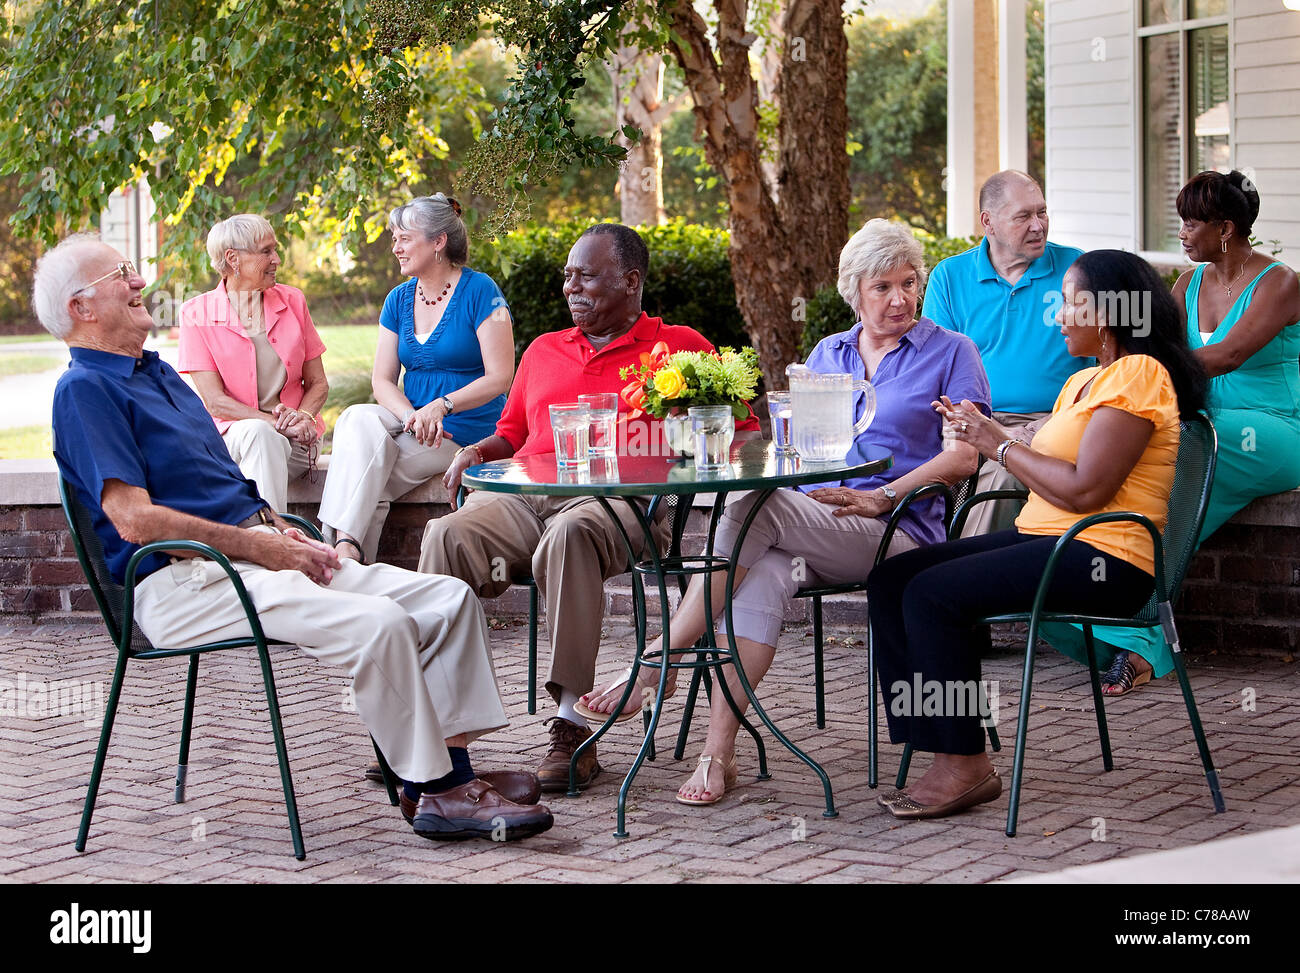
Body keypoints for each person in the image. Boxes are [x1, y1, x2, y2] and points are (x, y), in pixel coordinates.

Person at [38, 234, 553, 842]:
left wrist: (282, 531)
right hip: (184, 581)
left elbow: (222, 484)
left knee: (447, 600)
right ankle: (440, 793)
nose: (140, 282)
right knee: (380, 623)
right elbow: (134, 520)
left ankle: (444, 768)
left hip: (253, 557)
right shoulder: (85, 391)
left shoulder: (160, 375)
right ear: (82, 308)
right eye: (122, 274)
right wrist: (260, 547)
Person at [578, 219, 991, 806]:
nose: (899, 299)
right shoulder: (830, 353)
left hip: (897, 532)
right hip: (821, 522)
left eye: (908, 284)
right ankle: (717, 755)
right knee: (763, 574)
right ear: (855, 292)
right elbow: (798, 448)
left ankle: (657, 661)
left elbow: (966, 456)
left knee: (756, 508)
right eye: (882, 287)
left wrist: (884, 495)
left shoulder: (951, 353)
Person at [868, 250, 1208, 821]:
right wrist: (988, 433)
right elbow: (1046, 471)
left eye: (1068, 303)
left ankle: (964, 761)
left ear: (1107, 313)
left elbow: (1085, 492)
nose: (1058, 317)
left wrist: (996, 445)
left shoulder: (1140, 375)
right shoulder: (1081, 380)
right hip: (1049, 540)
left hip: (1107, 557)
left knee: (934, 595)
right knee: (895, 577)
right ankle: (937, 739)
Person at [419, 222, 758, 793]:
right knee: (446, 536)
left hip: (621, 505)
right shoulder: (545, 349)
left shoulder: (680, 348)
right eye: (567, 277)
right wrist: (475, 451)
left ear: (630, 281)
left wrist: (691, 444)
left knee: (571, 533)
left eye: (586, 277)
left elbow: (741, 436)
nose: (571, 288)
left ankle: (571, 724)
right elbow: (511, 434)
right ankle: (429, 727)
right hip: (529, 495)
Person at [1059, 170, 1300, 696]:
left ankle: (1143, 637)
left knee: (1183, 454)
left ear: (1227, 228)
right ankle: (1099, 598)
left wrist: (1136, 373)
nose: (1183, 233)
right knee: (1142, 455)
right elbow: (1148, 350)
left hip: (1274, 430)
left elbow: (1226, 355)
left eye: (1193, 223)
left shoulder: (1280, 282)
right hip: (1198, 419)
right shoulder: (1188, 283)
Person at [318, 194, 514, 564]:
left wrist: (441, 406)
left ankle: (343, 556)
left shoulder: (482, 291)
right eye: (395, 238)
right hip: (415, 426)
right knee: (357, 417)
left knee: (366, 480)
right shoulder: (397, 299)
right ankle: (349, 555)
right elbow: (382, 381)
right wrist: (413, 417)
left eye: (404, 238)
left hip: (463, 430)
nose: (395, 248)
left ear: (438, 241)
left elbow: (501, 376)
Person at [922, 170, 1086, 536]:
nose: (1038, 225)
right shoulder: (950, 277)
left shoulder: (1076, 270)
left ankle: (961, 581)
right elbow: (934, 366)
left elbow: (1110, 360)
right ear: (988, 222)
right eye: (1023, 216)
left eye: (1042, 212)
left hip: (1052, 419)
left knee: (1003, 470)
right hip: (970, 419)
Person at [179, 214, 328, 513]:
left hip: (298, 440)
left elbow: (318, 383)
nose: (276, 259)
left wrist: (304, 418)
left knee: (267, 441)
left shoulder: (293, 301)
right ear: (233, 259)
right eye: (266, 251)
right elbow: (216, 402)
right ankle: (276, 542)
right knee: (262, 436)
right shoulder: (196, 313)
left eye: (275, 249)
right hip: (234, 440)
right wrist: (274, 424)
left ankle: (266, 542)